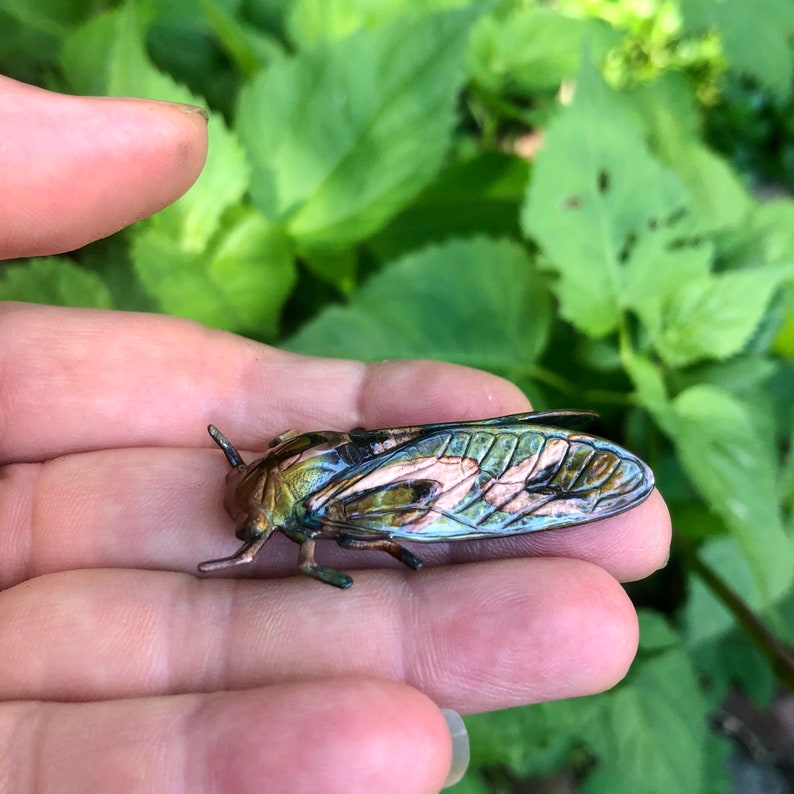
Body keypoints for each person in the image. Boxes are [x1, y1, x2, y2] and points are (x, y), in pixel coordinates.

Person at [0, 75, 671, 793]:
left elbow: (311, 552)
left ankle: (557, 476)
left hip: (399, 490)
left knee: (417, 513)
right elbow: (301, 502)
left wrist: (336, 552)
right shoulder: (293, 456)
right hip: (384, 470)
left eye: (251, 500)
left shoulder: (312, 520)